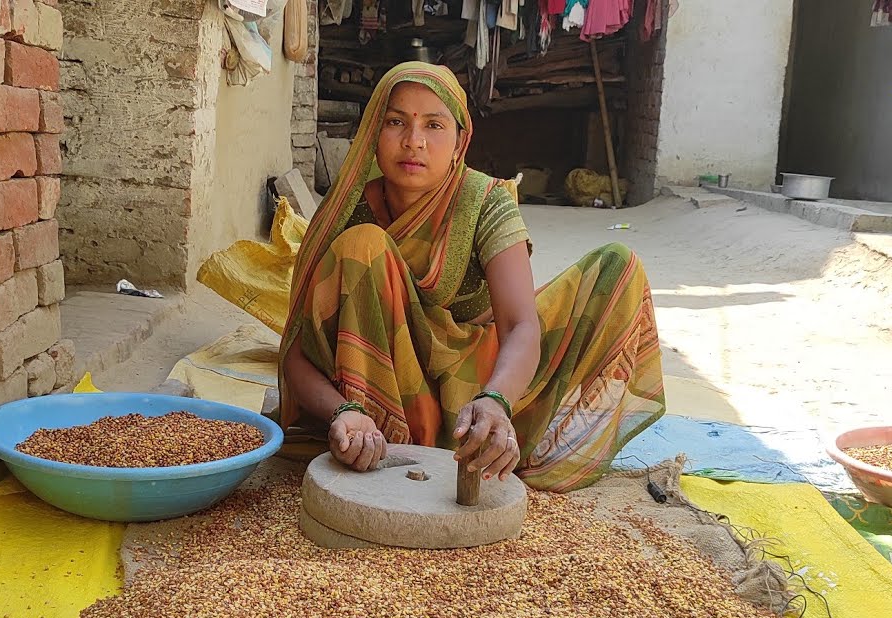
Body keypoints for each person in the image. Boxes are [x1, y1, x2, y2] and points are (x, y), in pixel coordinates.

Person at [278, 62, 665, 493]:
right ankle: (383, 441)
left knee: (617, 265)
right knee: (362, 245)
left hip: (478, 383)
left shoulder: (485, 202)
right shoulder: (347, 212)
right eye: (395, 121)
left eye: (434, 124)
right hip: (385, 390)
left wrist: (497, 399)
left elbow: (520, 324)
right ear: (373, 131)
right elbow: (296, 352)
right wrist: (342, 412)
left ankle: (492, 431)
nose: (414, 141)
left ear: (461, 140)